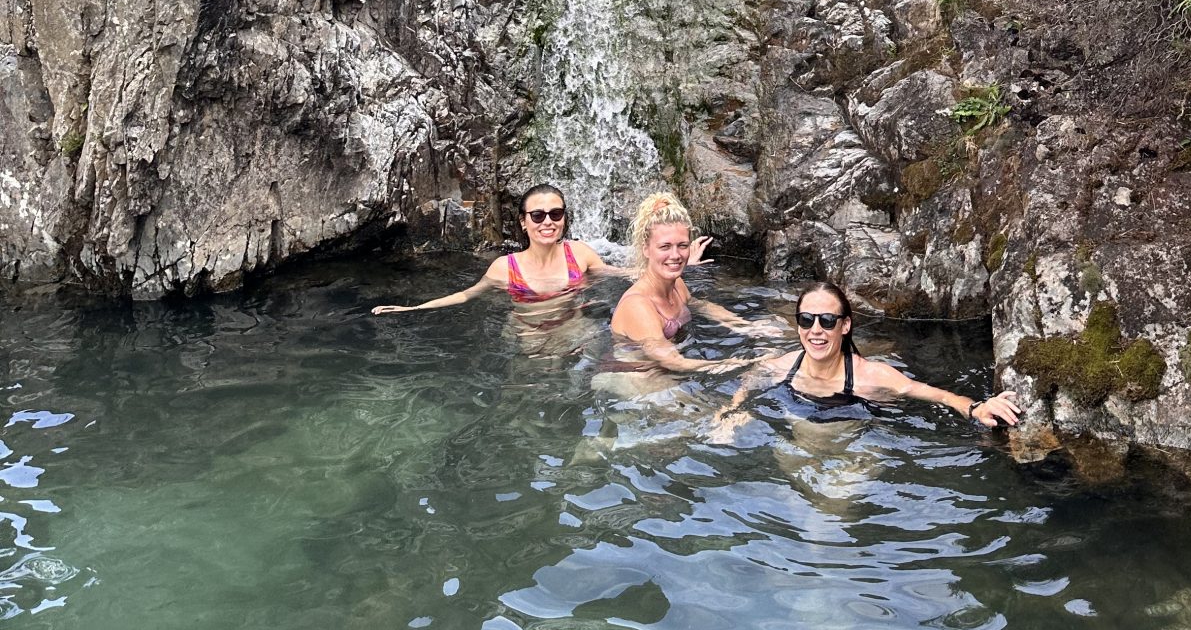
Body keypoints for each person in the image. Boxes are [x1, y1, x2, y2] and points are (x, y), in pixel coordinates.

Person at [710, 279, 1020, 440]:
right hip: (798, 444)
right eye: (806, 319)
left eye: (827, 321)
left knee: (829, 516)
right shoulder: (780, 366)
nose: (816, 330)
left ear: (845, 325)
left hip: (853, 451)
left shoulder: (872, 377)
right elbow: (753, 377)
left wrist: (977, 408)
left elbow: (939, 395)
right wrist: (731, 410)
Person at [369, 182, 710, 316]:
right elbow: (466, 295)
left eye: (556, 214)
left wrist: (682, 265)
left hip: (574, 330)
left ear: (564, 218)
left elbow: (626, 274)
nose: (547, 221)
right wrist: (412, 308)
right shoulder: (505, 268)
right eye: (538, 215)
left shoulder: (580, 254)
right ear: (523, 222)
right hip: (528, 336)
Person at [606, 192, 781, 377]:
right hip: (637, 379)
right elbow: (672, 361)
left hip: (665, 370)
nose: (675, 255)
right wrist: (742, 363)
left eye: (682, 245)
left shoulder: (677, 284)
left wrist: (748, 327)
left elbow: (701, 306)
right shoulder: (637, 306)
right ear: (646, 249)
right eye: (665, 247)